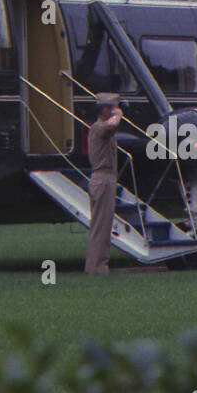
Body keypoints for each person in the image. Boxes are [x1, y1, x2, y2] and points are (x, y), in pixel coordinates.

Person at [84, 93, 123, 274]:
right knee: (101, 226)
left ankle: (97, 265)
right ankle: (96, 267)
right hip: (103, 179)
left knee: (103, 225)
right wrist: (118, 114)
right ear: (105, 109)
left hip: (105, 179)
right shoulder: (99, 128)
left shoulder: (100, 129)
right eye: (112, 107)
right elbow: (112, 125)